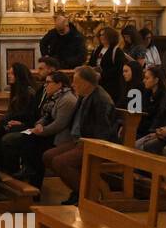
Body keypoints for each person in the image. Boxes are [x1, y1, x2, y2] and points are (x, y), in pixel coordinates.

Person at [41, 66, 118, 206]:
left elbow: (103, 131)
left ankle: (86, 194)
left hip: (95, 144)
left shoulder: (101, 99)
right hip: (80, 140)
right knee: (48, 156)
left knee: (61, 162)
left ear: (86, 82)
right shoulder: (84, 96)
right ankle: (78, 190)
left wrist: (86, 144)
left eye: (76, 81)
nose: (72, 84)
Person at [1, 71, 76, 185]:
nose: (45, 85)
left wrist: (40, 131)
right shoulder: (54, 96)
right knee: (14, 134)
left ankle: (29, 173)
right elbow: (45, 116)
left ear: (59, 84)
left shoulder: (67, 99)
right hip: (45, 131)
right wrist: (39, 125)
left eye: (48, 82)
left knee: (28, 139)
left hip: (58, 137)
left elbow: (59, 124)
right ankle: (14, 172)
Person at [0, 62, 38, 174]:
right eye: (9, 73)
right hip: (19, 124)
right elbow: (14, 113)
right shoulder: (17, 91)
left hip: (29, 128)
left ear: (19, 75)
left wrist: (20, 123)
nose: (9, 75)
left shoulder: (29, 92)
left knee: (6, 135)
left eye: (12, 73)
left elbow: (31, 116)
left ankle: (9, 169)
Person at [89, 26, 127, 107]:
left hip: (111, 85)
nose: (101, 37)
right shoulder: (96, 49)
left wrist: (102, 74)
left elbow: (119, 68)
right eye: (100, 35)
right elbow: (91, 63)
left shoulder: (116, 51)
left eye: (103, 35)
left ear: (110, 36)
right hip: (97, 83)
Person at [137, 64, 166, 138]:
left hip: (153, 130)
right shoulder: (147, 93)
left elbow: (159, 117)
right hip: (143, 128)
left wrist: (151, 131)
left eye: (147, 78)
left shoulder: (164, 95)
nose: (144, 81)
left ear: (156, 80)